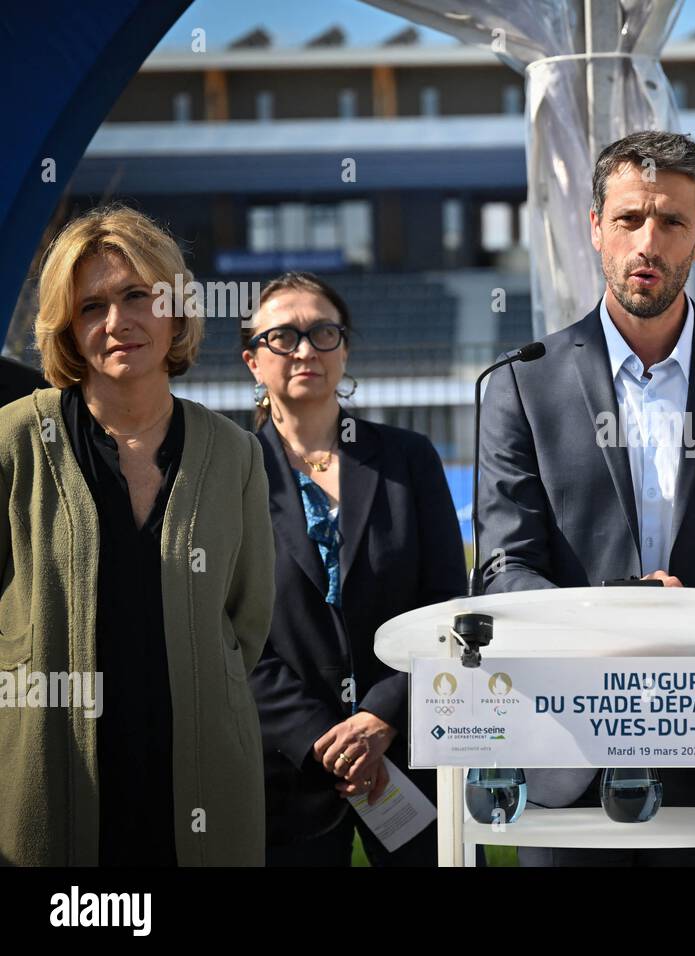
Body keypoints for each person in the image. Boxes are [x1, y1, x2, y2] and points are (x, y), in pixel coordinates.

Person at [477, 130, 695, 866]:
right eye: (631, 218)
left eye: (672, 222)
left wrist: (689, 625)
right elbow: (503, 566)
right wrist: (610, 619)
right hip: (567, 746)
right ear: (596, 228)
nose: (649, 241)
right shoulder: (519, 380)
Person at [0, 205, 274, 865]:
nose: (118, 322)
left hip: (199, 783)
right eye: (91, 306)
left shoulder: (234, 453)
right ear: (68, 328)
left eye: (136, 296)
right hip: (50, 774)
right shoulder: (14, 440)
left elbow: (246, 621)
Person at [241, 272, 467, 866]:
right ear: (252, 361)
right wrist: (320, 737)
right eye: (282, 337)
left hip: (410, 747)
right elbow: (225, 629)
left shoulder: (407, 458)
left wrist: (381, 714)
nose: (306, 349)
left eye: (323, 332)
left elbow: (446, 604)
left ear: (345, 348)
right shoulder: (228, 471)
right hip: (282, 765)